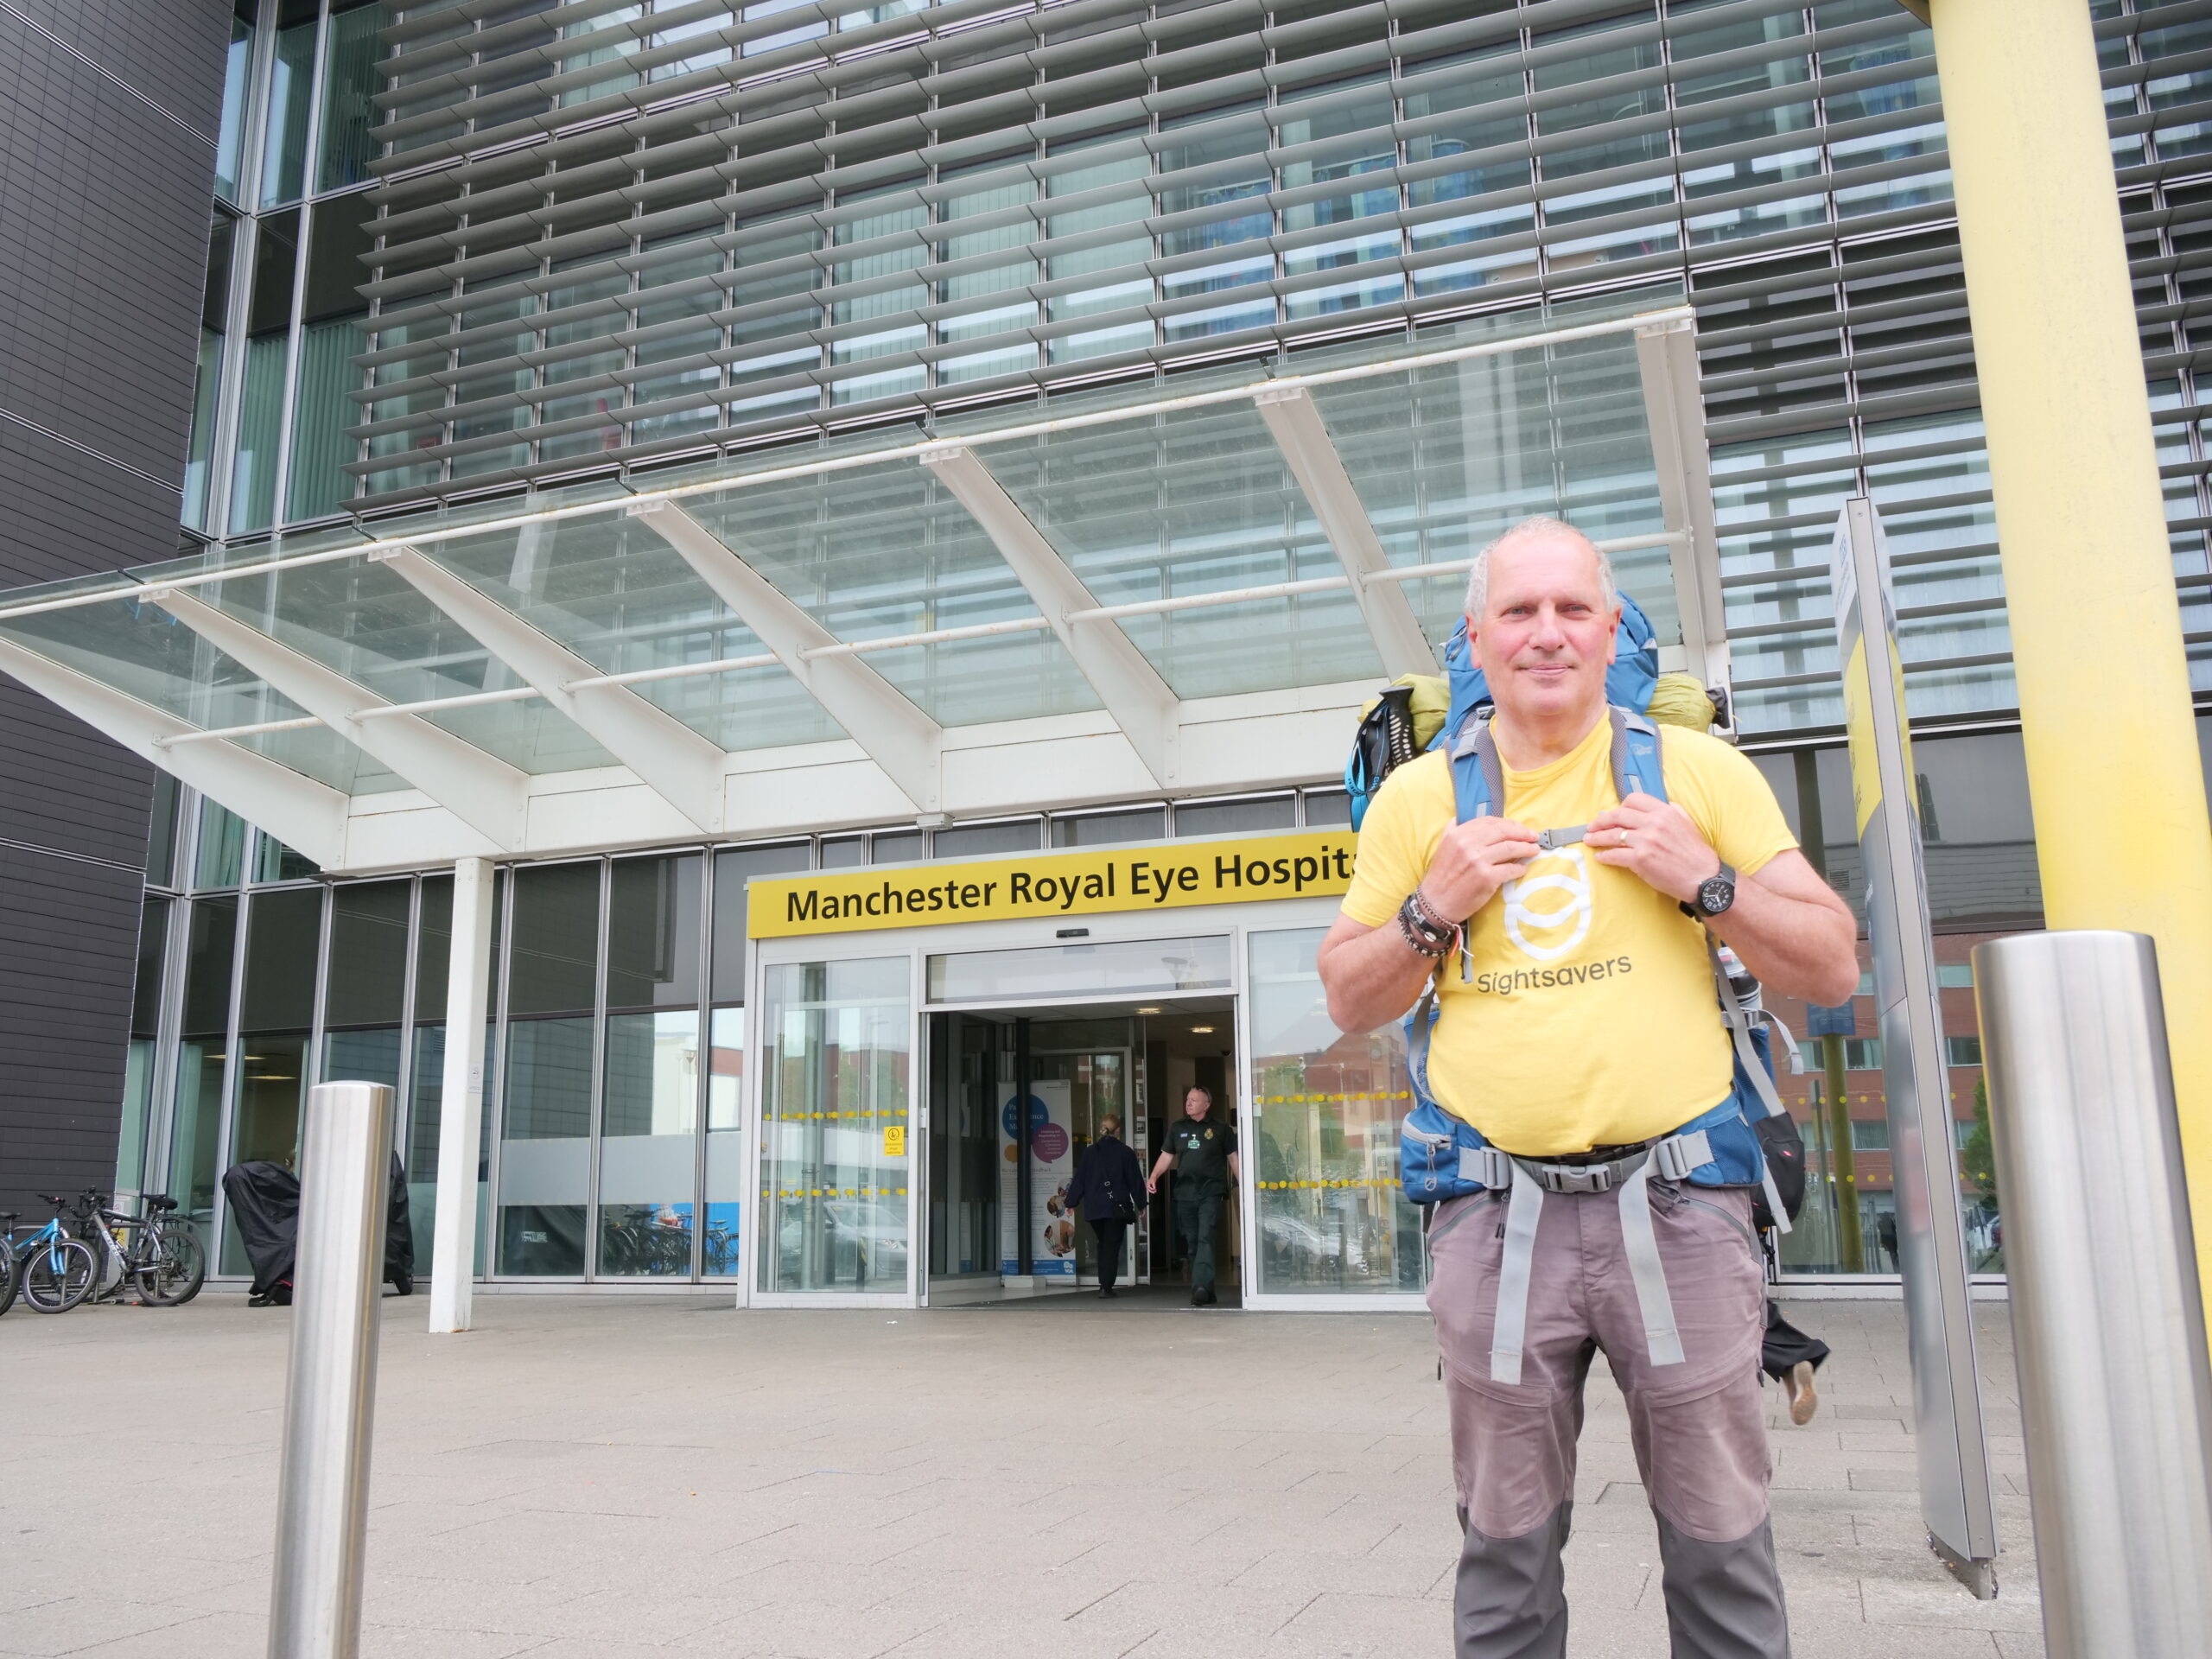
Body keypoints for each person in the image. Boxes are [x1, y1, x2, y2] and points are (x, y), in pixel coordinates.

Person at [1318, 517, 1858, 1658]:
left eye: (1572, 609)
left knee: (1722, 1552)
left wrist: (1706, 882)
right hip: (1493, 1220)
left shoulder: (1697, 774)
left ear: (1611, 632)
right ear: (1479, 637)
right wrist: (1432, 908)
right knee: (1504, 1564)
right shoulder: (1424, 802)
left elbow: (1832, 958)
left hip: (1682, 1208)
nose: (1547, 633)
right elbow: (1347, 997)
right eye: (1520, 611)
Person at [1147, 1086, 1240, 1306]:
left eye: (1194, 1100)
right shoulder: (1178, 1128)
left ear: (1206, 1105)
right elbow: (1166, 1155)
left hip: (1211, 1190)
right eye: (1188, 1099)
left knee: (1205, 1236)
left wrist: (1243, 1184)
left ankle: (1199, 1287)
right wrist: (1153, 1176)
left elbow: (1233, 1158)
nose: (1188, 1103)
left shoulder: (1221, 1129)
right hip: (1185, 1193)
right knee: (1192, 1242)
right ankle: (1206, 1290)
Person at [1064, 1114, 1146, 1297]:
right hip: (1116, 1208)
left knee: (1103, 1244)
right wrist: (1141, 1204)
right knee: (1111, 1246)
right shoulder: (1125, 1152)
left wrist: (1071, 1203)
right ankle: (1106, 1286)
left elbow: (1080, 1180)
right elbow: (1135, 1181)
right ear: (1118, 1130)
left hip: (1094, 1208)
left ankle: (1104, 1283)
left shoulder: (1090, 1152)